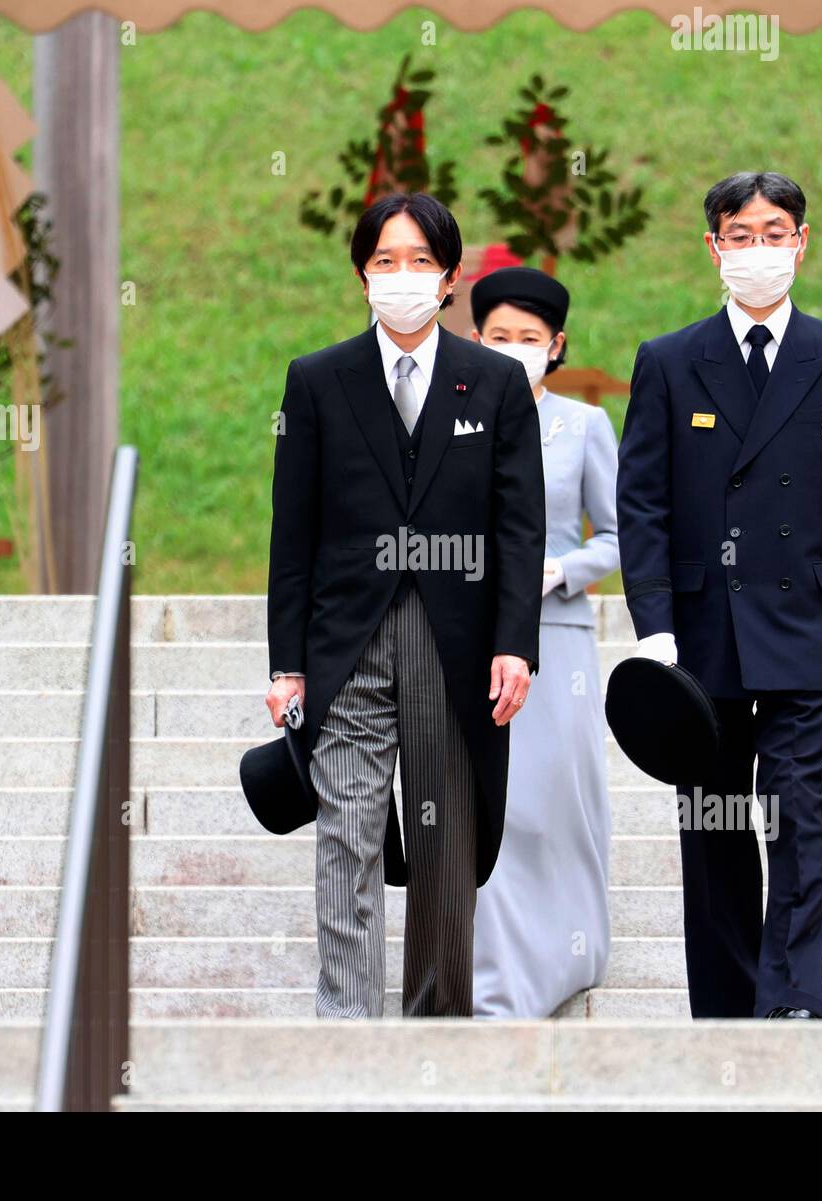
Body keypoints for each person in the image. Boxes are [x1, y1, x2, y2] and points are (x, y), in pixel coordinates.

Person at [265, 192, 546, 1018]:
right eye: (385, 260)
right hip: (346, 639)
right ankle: (346, 1028)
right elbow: (294, 531)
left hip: (454, 643)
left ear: (451, 277)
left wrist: (514, 643)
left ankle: (434, 1031)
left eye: (420, 260)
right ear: (361, 274)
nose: (402, 275)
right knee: (344, 835)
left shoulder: (495, 382)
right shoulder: (317, 380)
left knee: (441, 840)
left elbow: (519, 526)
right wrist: (286, 661)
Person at [616, 172, 822, 1020]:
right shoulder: (671, 360)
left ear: (801, 242)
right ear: (713, 247)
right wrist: (654, 626)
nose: (757, 250)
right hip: (702, 635)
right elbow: (641, 500)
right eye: (739, 235)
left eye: (773, 233)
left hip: (804, 626)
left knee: (799, 813)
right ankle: (725, 1008)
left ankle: (791, 999)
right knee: (716, 826)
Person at [467, 267, 619, 1017]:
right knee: (495, 806)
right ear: (474, 339)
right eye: (500, 337)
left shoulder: (584, 426)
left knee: (554, 800)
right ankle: (497, 982)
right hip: (470, 635)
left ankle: (574, 949)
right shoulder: (453, 417)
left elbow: (621, 536)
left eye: (530, 338)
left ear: (556, 345)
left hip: (556, 639)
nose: (515, 348)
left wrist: (562, 568)